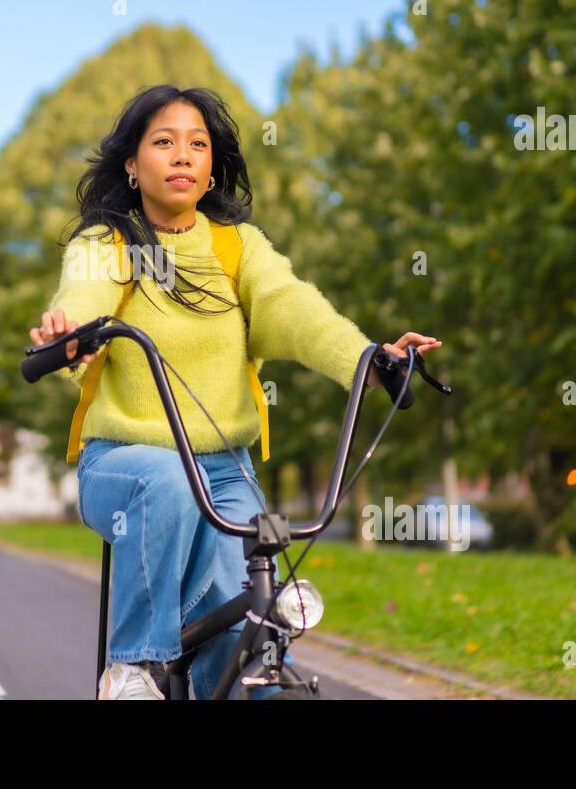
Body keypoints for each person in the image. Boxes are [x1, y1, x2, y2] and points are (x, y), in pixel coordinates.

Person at [31, 85, 442, 700]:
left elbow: (294, 310)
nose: (183, 156)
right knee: (164, 482)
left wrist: (367, 359)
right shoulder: (106, 244)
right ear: (131, 163)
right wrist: (70, 333)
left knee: (251, 619)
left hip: (225, 469)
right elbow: (83, 298)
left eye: (198, 145)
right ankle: (133, 669)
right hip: (122, 462)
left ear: (212, 166)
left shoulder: (238, 246)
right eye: (164, 142)